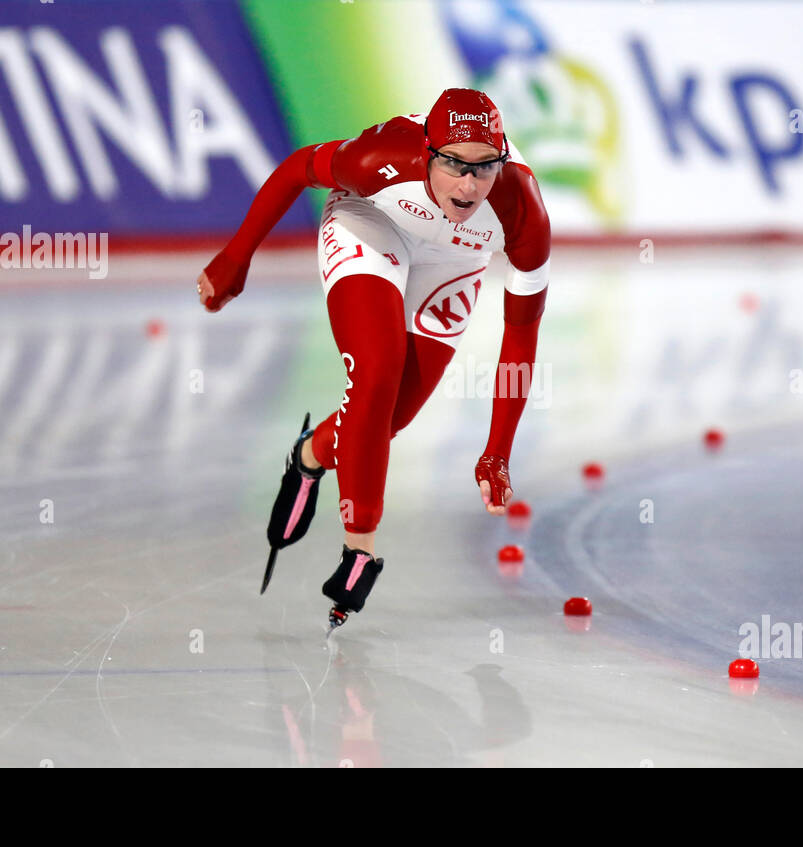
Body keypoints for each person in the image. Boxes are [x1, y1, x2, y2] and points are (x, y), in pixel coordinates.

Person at [196, 88, 550, 629]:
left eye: (484, 168)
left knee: (392, 417)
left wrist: (497, 451)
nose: (469, 184)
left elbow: (520, 341)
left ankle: (310, 454)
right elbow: (298, 168)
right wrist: (237, 254)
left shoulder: (522, 212)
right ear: (429, 151)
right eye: (454, 164)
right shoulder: (381, 159)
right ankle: (359, 551)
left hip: (456, 257)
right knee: (377, 373)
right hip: (371, 221)